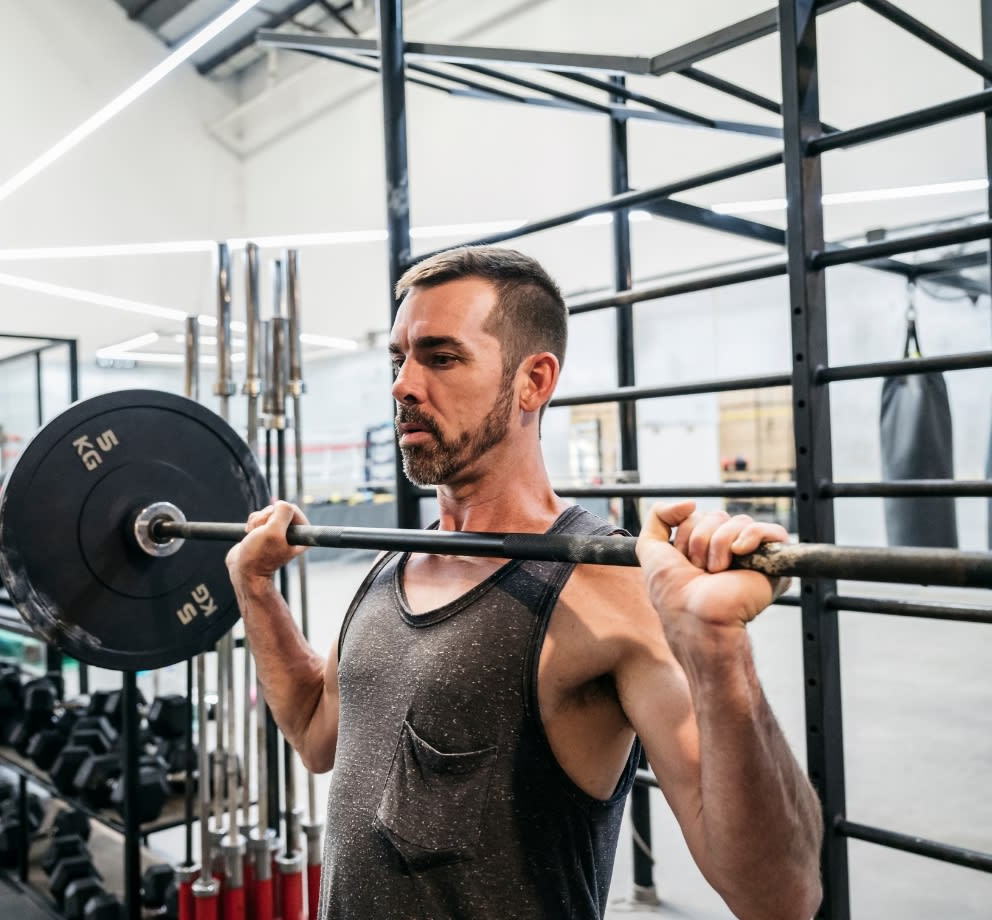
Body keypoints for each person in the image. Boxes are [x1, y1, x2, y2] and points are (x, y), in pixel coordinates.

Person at [227, 246, 823, 919]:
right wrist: (255, 587)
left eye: (441, 357)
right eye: (398, 360)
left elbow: (782, 898)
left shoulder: (605, 587)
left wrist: (720, 654)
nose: (402, 385)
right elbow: (314, 734)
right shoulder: (392, 562)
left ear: (533, 382)